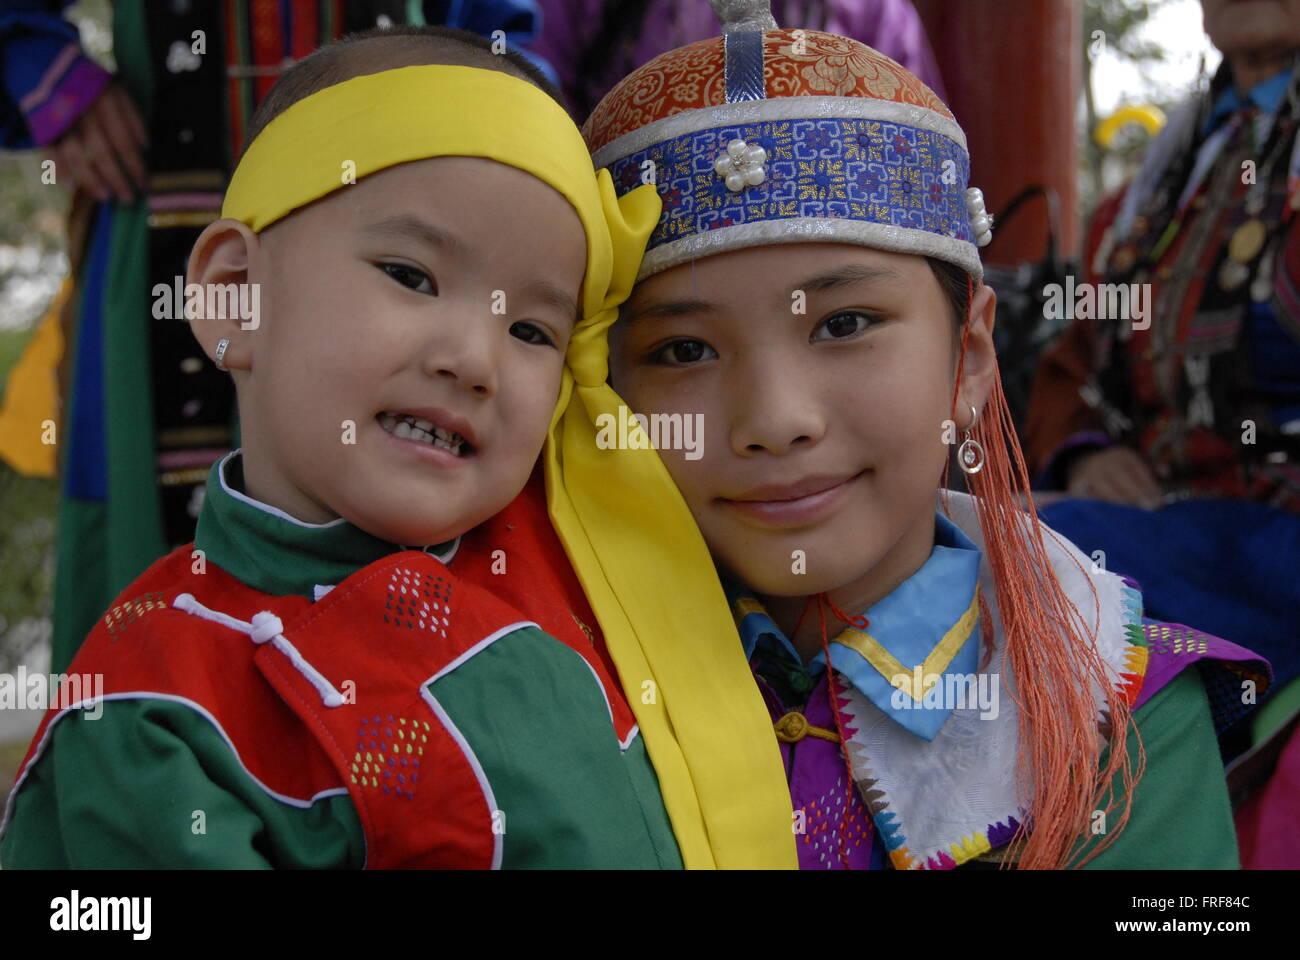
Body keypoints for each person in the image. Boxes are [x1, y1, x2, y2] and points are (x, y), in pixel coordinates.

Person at [0, 25, 798, 869]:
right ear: (238, 296)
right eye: (412, 276)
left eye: (531, 329)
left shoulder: (595, 565)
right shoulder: (152, 714)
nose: (475, 360)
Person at [595, 1, 1271, 868]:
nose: (775, 419)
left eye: (844, 325)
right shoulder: (543, 683)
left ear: (973, 355)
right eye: (682, 349)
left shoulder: (1121, 718)